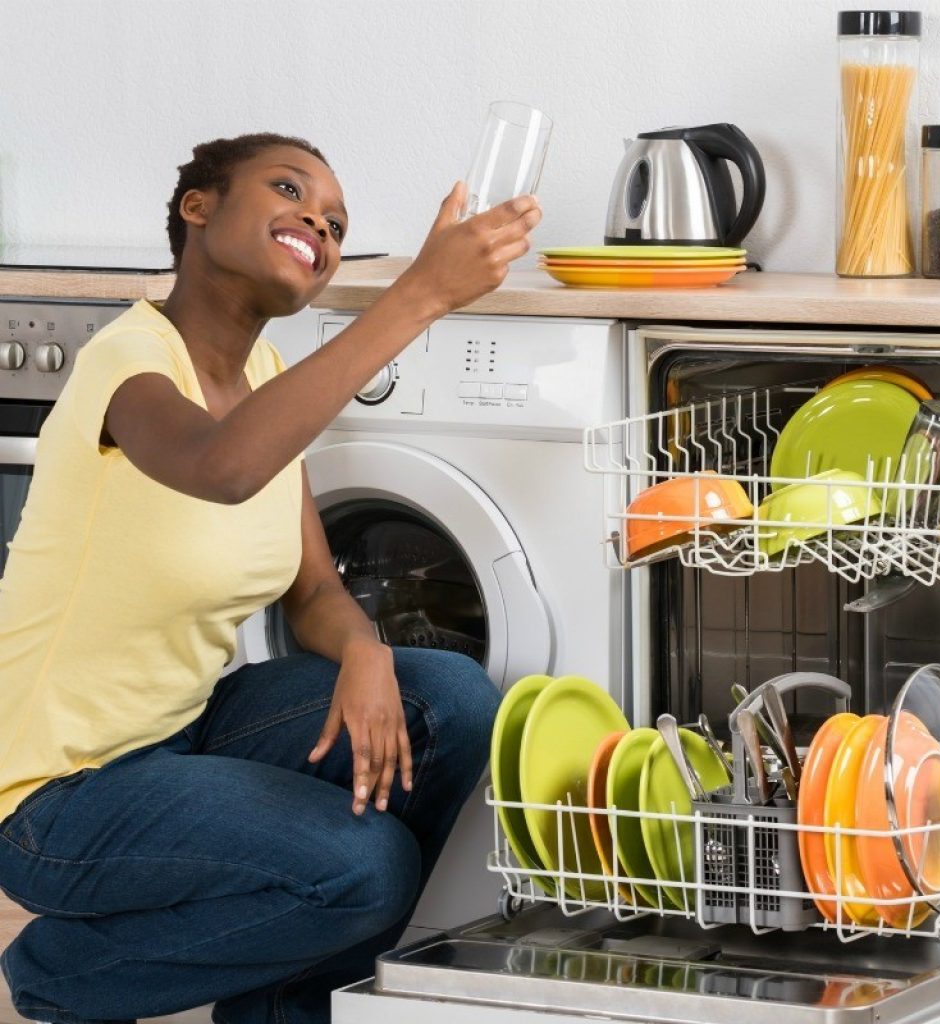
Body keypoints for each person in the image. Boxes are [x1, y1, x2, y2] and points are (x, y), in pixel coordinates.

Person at [0, 131, 541, 1024]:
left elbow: (313, 587)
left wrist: (365, 648)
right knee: (362, 868)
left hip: (179, 731)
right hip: (54, 795)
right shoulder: (127, 362)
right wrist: (422, 295)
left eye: (335, 222)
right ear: (198, 207)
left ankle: (283, 1012)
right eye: (288, 191)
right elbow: (224, 466)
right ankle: (58, 974)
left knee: (447, 699)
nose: (317, 225)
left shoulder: (265, 371)